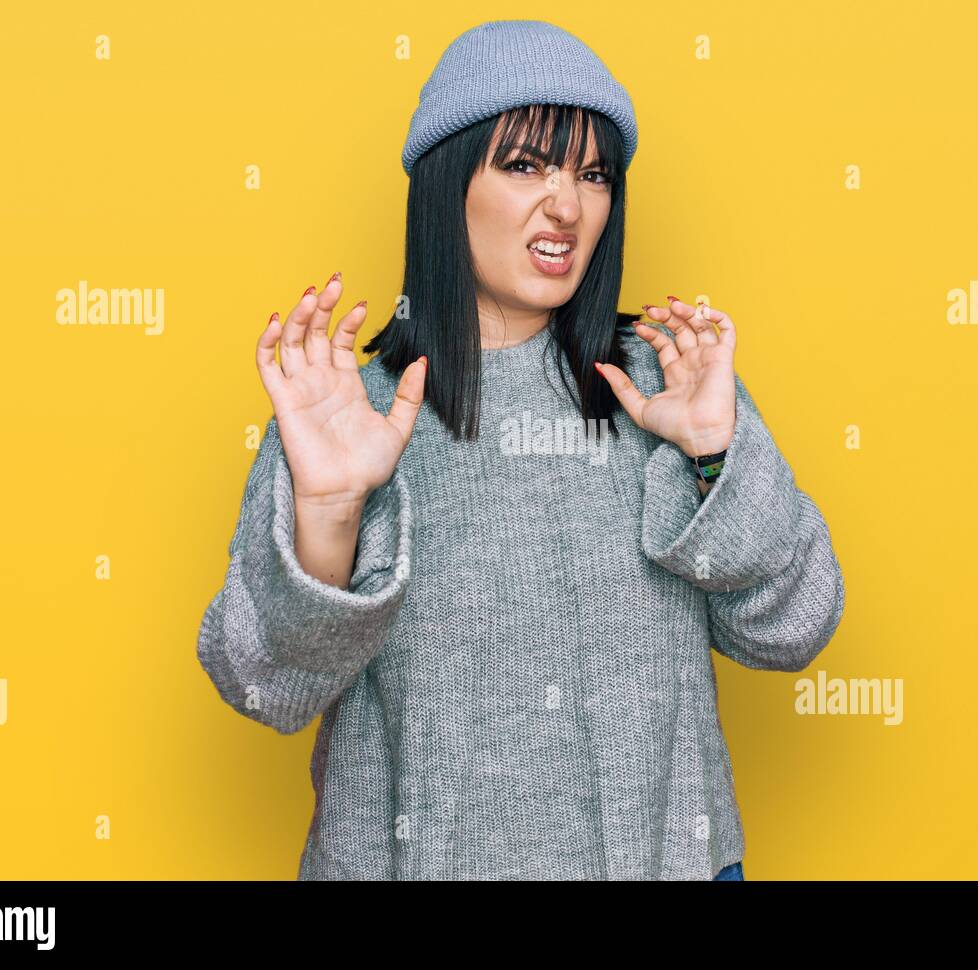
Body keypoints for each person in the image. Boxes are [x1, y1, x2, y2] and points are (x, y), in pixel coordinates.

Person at [196, 19, 845, 881]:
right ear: (447, 184)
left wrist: (716, 456)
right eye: (525, 164)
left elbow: (793, 630)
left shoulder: (663, 383)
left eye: (592, 174)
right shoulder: (356, 412)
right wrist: (327, 512)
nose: (567, 205)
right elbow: (260, 684)